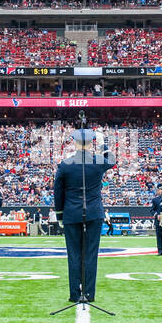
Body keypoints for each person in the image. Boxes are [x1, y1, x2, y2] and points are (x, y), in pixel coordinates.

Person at [53, 128, 117, 304]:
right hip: (94, 213)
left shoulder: (65, 164)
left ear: (74, 142)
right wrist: (103, 143)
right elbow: (112, 160)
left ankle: (75, 293)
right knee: (90, 255)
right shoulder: (98, 162)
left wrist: (59, 215)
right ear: (91, 143)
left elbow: (58, 193)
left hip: (71, 214)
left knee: (73, 255)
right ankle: (89, 293)